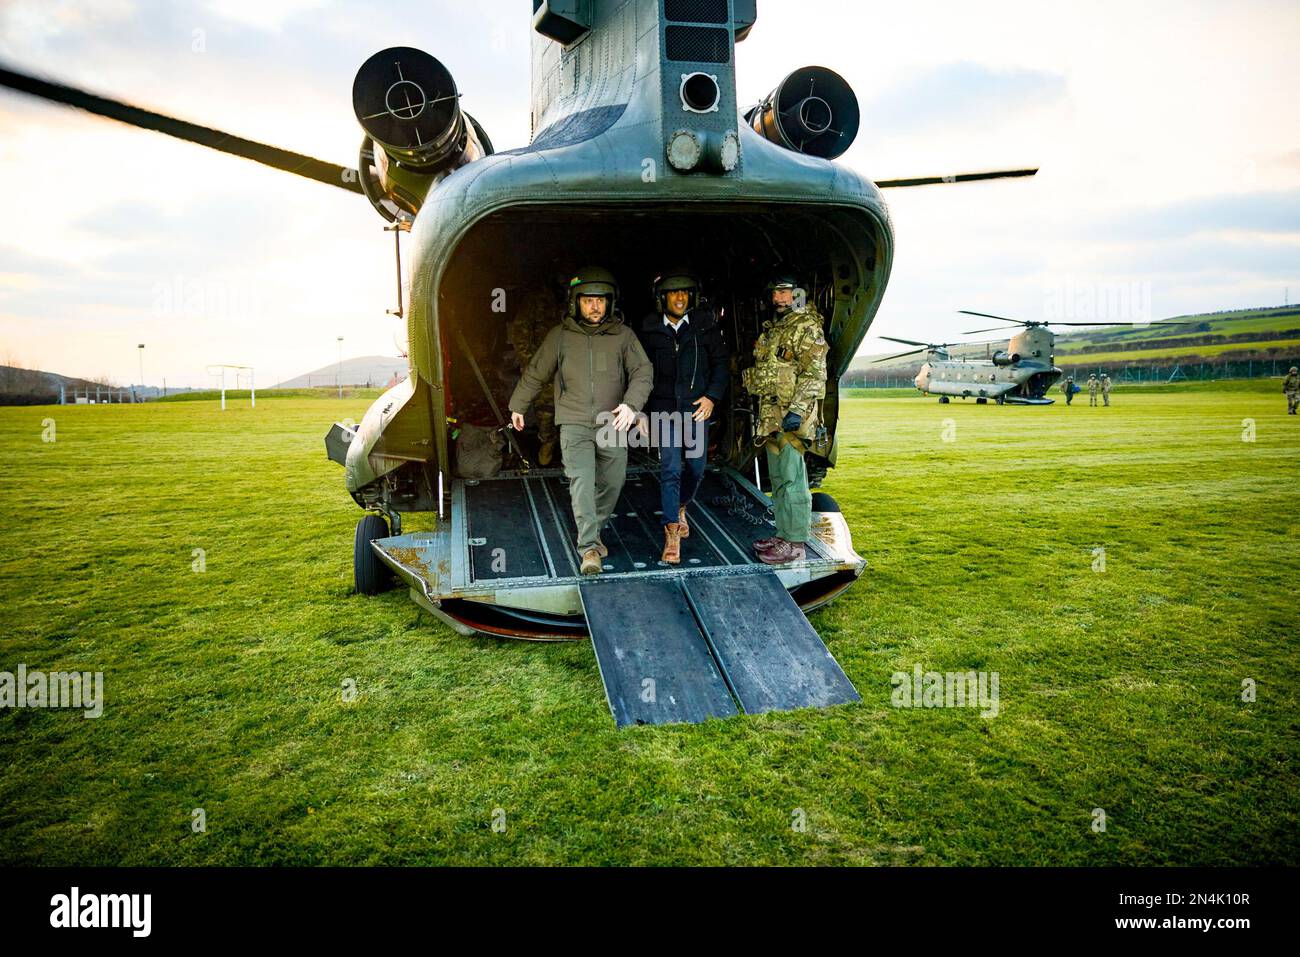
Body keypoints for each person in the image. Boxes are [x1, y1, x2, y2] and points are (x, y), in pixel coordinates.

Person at [508, 266, 653, 575]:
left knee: (613, 483)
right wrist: (518, 404)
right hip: (573, 422)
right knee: (582, 483)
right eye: (588, 300)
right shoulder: (560, 336)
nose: (595, 306)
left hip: (612, 421)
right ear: (575, 302)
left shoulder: (623, 336)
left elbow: (643, 372)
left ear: (611, 303)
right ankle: (589, 548)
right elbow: (537, 371)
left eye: (601, 300)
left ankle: (592, 530)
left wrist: (631, 405)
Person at [637, 267, 729, 564]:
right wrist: (642, 412)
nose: (680, 297)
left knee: (697, 468)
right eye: (673, 292)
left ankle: (681, 506)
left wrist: (712, 397)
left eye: (684, 292)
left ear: (692, 296)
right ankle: (672, 533)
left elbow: (721, 366)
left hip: (695, 411)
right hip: (664, 410)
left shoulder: (705, 328)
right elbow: (639, 373)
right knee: (671, 469)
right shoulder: (649, 331)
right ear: (661, 298)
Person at [742, 274, 828, 565]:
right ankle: (782, 535)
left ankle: (795, 543)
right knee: (778, 479)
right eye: (775, 293)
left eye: (785, 292)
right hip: (771, 416)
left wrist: (797, 410)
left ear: (798, 293)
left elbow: (815, 373)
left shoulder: (807, 325)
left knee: (792, 480)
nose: (778, 298)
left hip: (792, 416)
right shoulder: (776, 329)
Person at [507, 288, 561, 465]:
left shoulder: (582, 299)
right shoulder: (539, 297)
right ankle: (548, 441)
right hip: (542, 365)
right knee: (545, 410)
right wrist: (531, 362)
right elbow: (520, 331)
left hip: (572, 364)